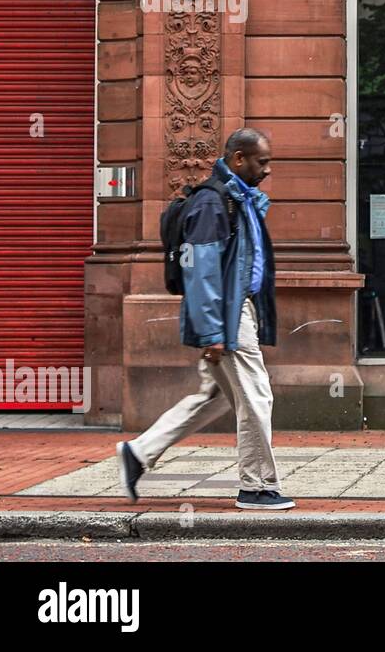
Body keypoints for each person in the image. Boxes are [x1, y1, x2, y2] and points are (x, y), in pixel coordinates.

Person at [116, 128, 294, 510]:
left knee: (213, 397)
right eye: (262, 161)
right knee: (256, 397)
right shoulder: (213, 205)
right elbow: (201, 273)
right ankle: (257, 486)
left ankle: (138, 452)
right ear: (238, 159)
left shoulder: (237, 200)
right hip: (226, 318)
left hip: (234, 312)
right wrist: (214, 331)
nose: (267, 169)